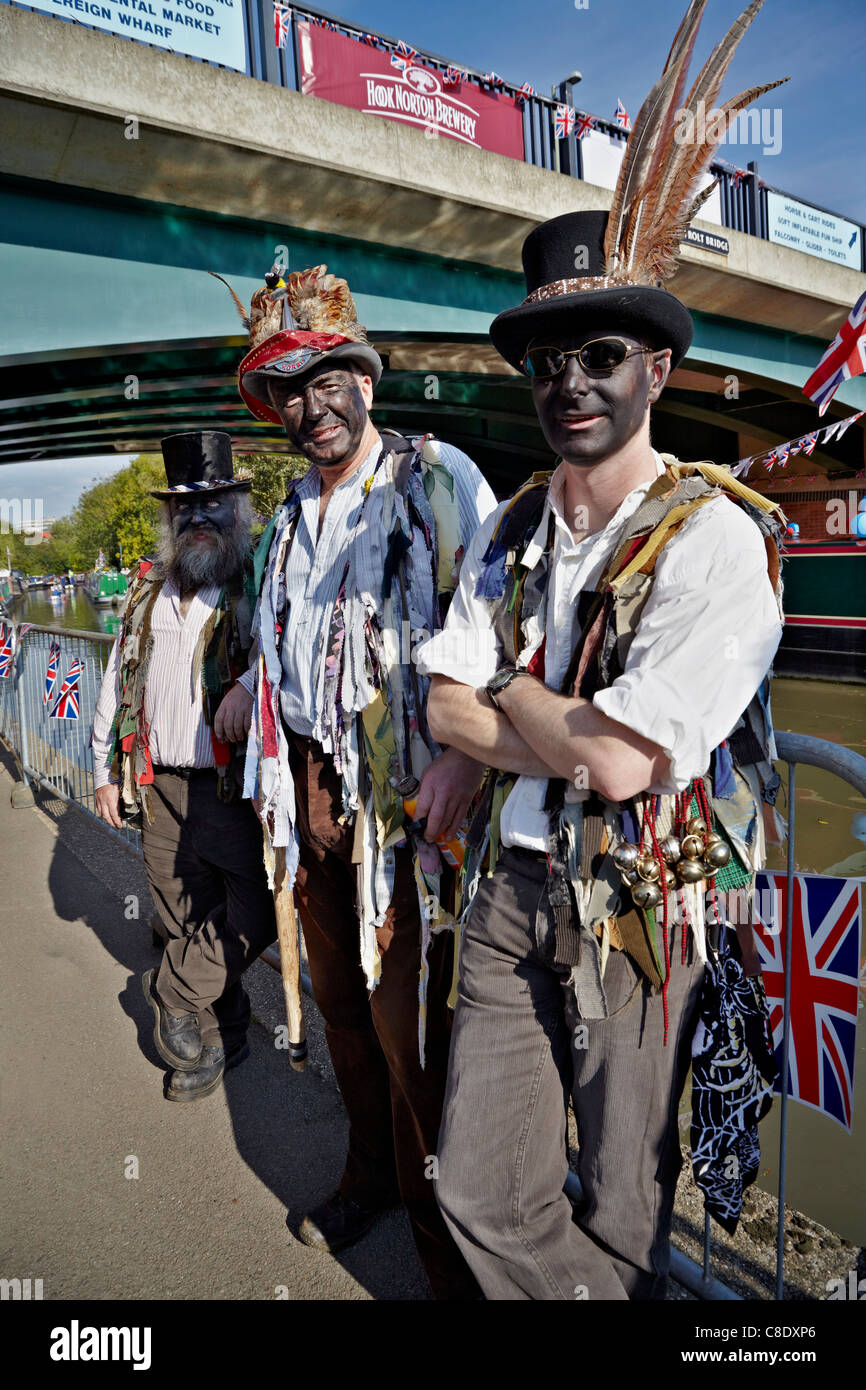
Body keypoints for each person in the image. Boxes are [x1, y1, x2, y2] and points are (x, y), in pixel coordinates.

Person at [415, 0, 791, 1298]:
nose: (568, 379)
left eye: (600, 353)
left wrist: (502, 693)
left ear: (656, 366)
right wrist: (531, 720)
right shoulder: (516, 521)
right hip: (511, 879)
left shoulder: (712, 541)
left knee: (625, 1193)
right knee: (474, 1181)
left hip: (646, 901)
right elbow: (437, 704)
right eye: (544, 359)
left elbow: (624, 766)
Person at [213, 262, 496, 1299]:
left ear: (364, 381)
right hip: (307, 807)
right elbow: (292, 636)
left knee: (413, 1034)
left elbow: (498, 637)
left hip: (411, 820)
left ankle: (444, 1249)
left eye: (325, 378)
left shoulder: (439, 479)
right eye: (286, 390)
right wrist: (249, 681)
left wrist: (466, 752)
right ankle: (368, 1176)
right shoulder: (288, 517)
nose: (308, 405)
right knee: (339, 1009)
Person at [92, 432, 277, 1102]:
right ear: (171, 519)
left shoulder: (259, 583)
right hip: (159, 784)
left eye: (213, 506)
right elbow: (118, 678)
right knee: (179, 917)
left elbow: (290, 661)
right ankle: (215, 1042)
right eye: (184, 509)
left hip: (228, 789)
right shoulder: (146, 588)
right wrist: (103, 770)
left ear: (236, 510)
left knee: (252, 912)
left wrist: (249, 680)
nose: (198, 519)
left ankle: (171, 993)